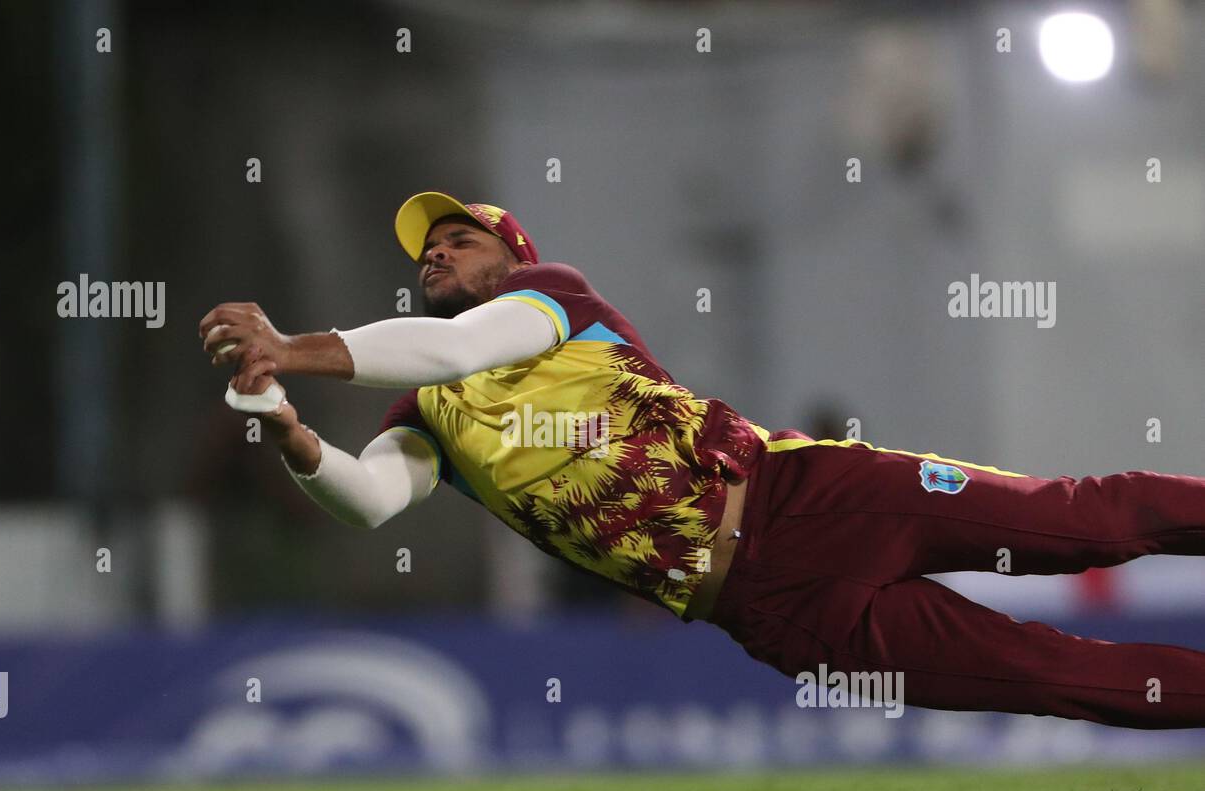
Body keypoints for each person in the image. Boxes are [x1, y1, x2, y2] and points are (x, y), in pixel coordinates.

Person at [200, 190, 1205, 730]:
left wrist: (293, 347)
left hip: (810, 495)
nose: (434, 254)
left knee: (1081, 518)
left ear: (512, 254)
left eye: (457, 239)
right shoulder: (426, 409)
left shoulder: (555, 298)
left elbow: (464, 344)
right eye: (426, 248)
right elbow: (370, 499)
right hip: (770, 611)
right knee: (1047, 674)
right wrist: (289, 426)